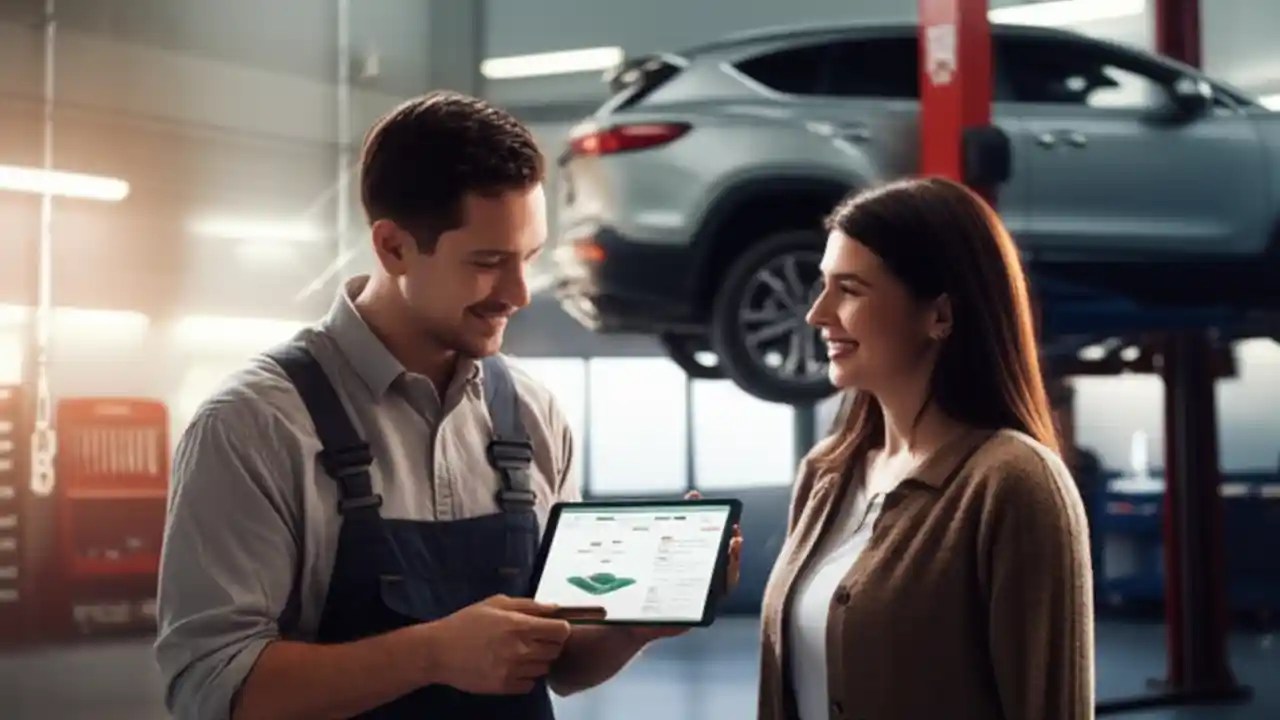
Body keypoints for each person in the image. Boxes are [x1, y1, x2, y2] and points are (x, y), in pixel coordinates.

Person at [155, 91, 740, 720]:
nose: (518, 293)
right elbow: (212, 687)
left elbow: (561, 661)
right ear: (393, 247)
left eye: (531, 258)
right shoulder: (254, 426)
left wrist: (636, 624)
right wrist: (431, 654)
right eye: (488, 263)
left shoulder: (535, 416)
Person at [757, 178, 1095, 720]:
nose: (817, 314)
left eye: (850, 289)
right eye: (824, 285)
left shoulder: (1013, 481)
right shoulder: (826, 474)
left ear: (939, 315)